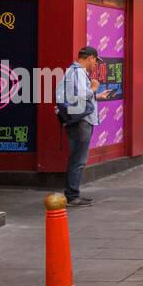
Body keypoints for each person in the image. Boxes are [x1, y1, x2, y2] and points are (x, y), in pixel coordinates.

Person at [57, 46, 101, 206]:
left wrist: (95, 94)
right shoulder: (77, 72)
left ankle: (73, 193)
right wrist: (94, 89)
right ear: (90, 58)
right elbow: (81, 96)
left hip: (80, 119)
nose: (95, 64)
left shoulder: (73, 72)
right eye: (96, 60)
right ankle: (72, 195)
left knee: (77, 158)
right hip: (81, 121)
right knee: (78, 159)